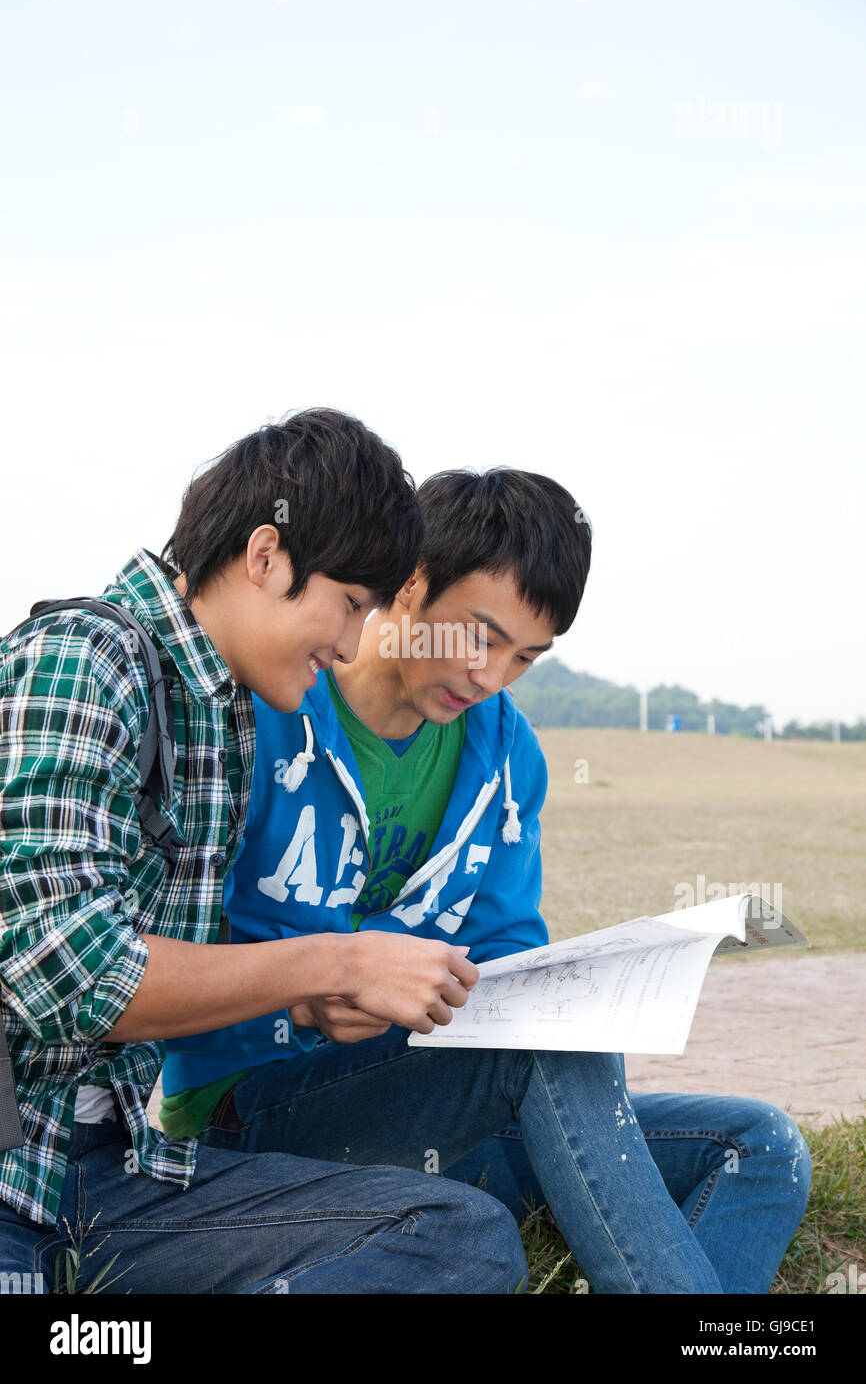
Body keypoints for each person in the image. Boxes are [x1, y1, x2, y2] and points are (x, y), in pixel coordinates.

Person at [163, 467, 812, 1295]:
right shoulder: (270, 706)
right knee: (538, 1045)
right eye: (478, 635)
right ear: (408, 584)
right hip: (250, 1112)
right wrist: (314, 984)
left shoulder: (510, 756)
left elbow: (508, 957)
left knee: (759, 1144)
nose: (489, 676)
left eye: (524, 658)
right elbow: (166, 942)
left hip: (430, 1112)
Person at [0, 411, 529, 1295]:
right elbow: (64, 974)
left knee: (460, 1236)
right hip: (14, 1167)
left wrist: (324, 997)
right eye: (350, 605)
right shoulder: (83, 658)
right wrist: (333, 962)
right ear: (265, 556)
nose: (354, 645)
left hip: (119, 1172)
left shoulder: (227, 710)